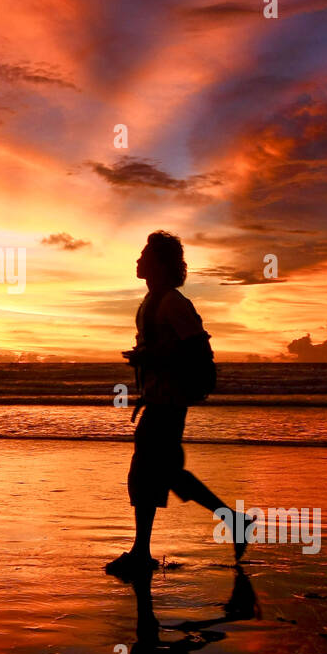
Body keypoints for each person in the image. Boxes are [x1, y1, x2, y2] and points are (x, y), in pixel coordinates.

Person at [106, 231, 249, 580]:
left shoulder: (172, 302)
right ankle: (232, 521)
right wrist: (145, 357)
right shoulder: (151, 301)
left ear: (160, 263)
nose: (137, 260)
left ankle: (143, 552)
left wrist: (151, 355)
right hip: (158, 398)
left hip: (169, 401)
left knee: (147, 472)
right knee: (163, 472)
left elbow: (198, 347)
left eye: (144, 255)